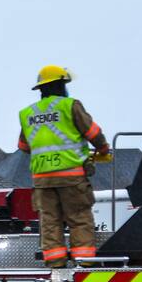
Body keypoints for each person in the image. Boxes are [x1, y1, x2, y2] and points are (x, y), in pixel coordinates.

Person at [17, 64, 110, 267]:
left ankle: (56, 263)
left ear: (41, 89)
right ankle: (83, 262)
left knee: (49, 221)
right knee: (79, 218)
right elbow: (92, 133)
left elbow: (23, 146)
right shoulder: (70, 105)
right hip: (72, 177)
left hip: (42, 180)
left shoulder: (27, 113)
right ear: (60, 85)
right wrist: (103, 149)